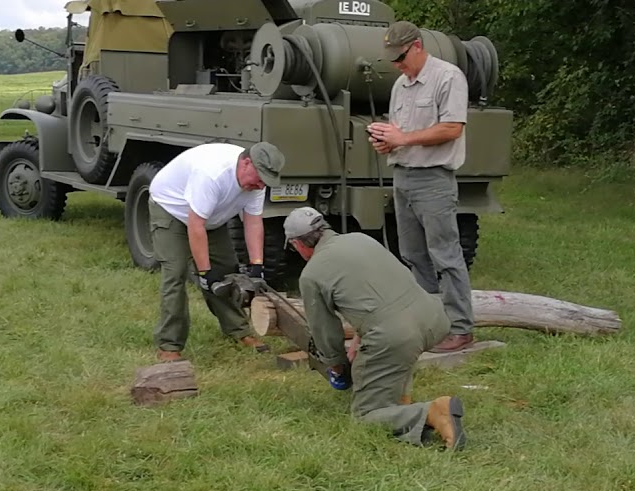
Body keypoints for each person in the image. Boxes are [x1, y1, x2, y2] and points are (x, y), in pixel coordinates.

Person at [284, 206, 467, 450]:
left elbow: (326, 333)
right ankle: (400, 398)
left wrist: (337, 366)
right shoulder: (360, 239)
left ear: (297, 244)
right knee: (394, 347)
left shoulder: (312, 274)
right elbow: (380, 292)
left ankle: (432, 412)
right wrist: (360, 340)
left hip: (399, 336)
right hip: (434, 318)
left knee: (365, 416)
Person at [367, 20, 475, 353]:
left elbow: (452, 128)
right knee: (413, 255)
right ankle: (431, 324)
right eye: (393, 60)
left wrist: (404, 138)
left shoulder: (448, 77)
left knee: (445, 254)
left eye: (400, 57)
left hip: (434, 179)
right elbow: (400, 132)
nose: (397, 65)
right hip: (403, 176)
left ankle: (460, 328)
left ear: (416, 46)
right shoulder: (400, 85)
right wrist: (387, 143)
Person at [147, 141, 286, 363]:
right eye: (259, 180)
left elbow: (252, 222)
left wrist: (257, 266)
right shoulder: (211, 174)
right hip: (172, 210)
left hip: (210, 217)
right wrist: (205, 273)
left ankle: (239, 332)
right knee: (176, 274)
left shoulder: (257, 181)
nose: (261, 186)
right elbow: (195, 226)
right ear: (246, 163)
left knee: (225, 271)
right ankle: (169, 345)